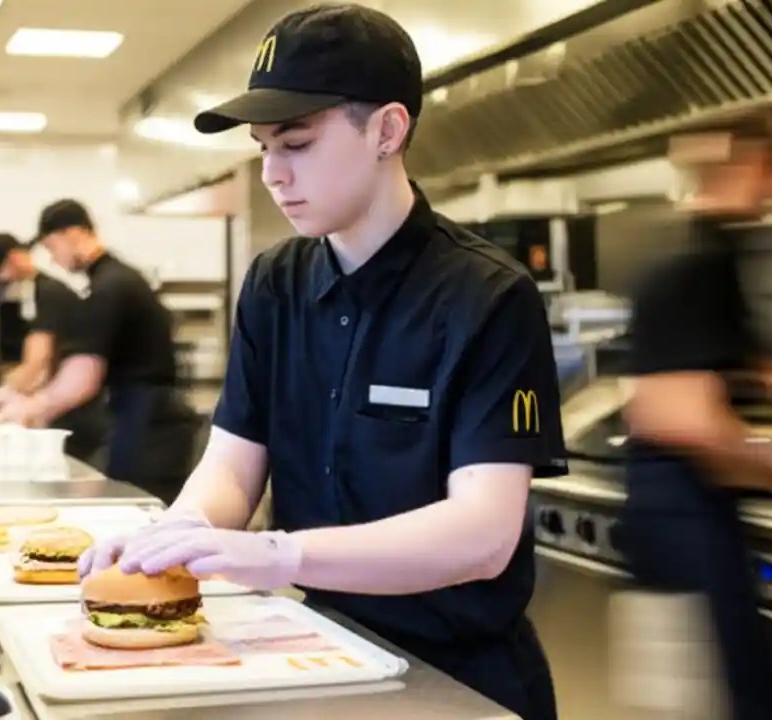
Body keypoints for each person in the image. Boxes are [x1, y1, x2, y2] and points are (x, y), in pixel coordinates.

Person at [79, 5, 567, 719]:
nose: (273, 175)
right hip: (323, 652)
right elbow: (231, 467)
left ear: (388, 130)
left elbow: (484, 536)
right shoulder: (274, 283)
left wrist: (280, 556)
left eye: (297, 144)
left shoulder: (487, 297)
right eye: (263, 148)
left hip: (462, 677)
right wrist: (170, 538)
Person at [620, 121, 772, 720]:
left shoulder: (715, 252)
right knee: (719, 704)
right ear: (750, 169)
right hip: (681, 527)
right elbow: (678, 416)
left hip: (680, 517)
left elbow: (767, 371)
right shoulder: (694, 263)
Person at [5, 199, 198, 503]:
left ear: (73, 234)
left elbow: (82, 377)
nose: (54, 260)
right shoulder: (117, 278)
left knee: (141, 517)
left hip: (150, 427)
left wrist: (29, 409)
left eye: (52, 247)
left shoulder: (109, 287)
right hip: (145, 418)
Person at [0, 232, 107, 464]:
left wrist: (5, 394)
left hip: (75, 410)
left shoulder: (47, 292)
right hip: (74, 402)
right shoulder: (42, 289)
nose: (6, 277)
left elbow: (38, 360)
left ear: (15, 257)